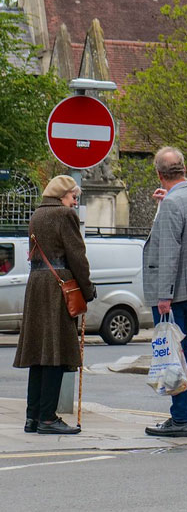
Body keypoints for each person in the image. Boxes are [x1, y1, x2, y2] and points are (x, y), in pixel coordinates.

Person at [13, 175, 95, 435]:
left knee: (39, 353)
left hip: (37, 284)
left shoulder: (37, 215)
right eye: (73, 197)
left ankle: (33, 417)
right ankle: (48, 418)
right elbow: (77, 256)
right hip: (58, 286)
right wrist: (88, 288)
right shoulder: (64, 215)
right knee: (55, 353)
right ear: (62, 195)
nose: (74, 203)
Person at [142, 147, 187, 438]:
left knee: (173, 356)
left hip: (173, 293)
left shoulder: (173, 203)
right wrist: (165, 203)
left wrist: (164, 296)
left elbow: (170, 252)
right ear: (183, 169)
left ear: (159, 174)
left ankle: (181, 418)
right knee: (183, 354)